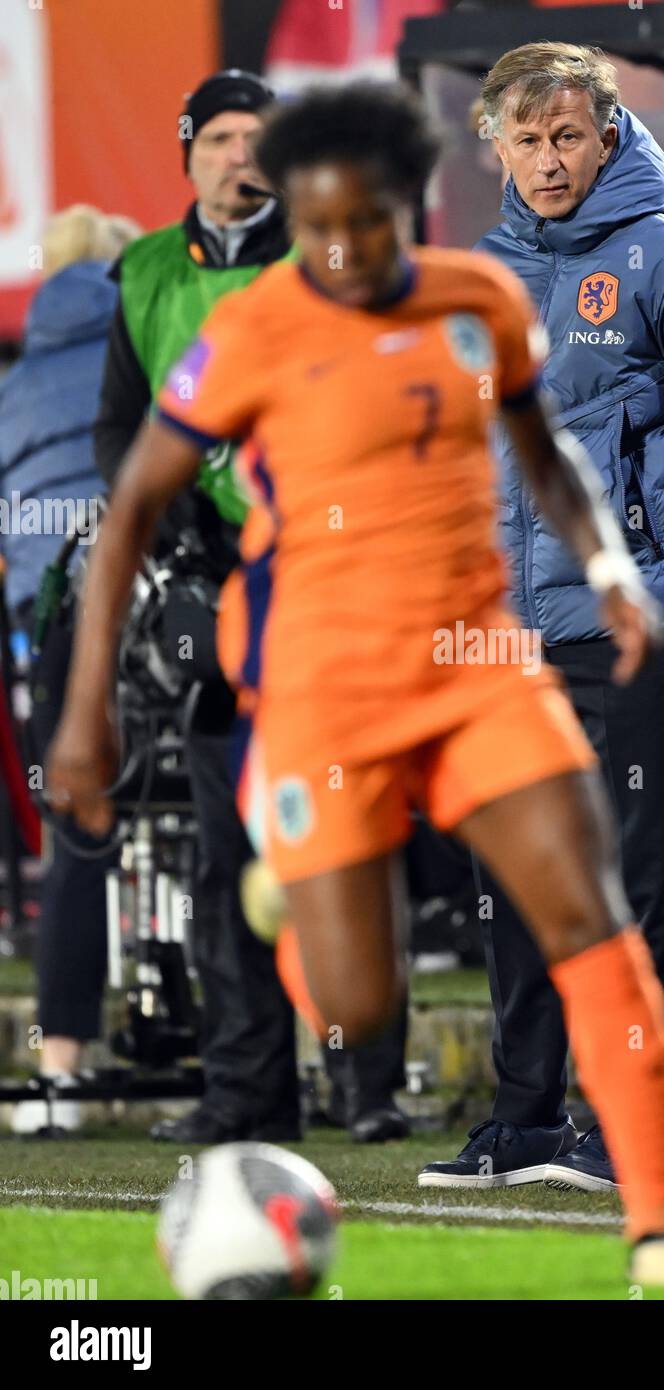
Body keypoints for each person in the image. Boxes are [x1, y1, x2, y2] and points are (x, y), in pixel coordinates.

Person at [45, 80, 664, 1292]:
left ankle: (662, 1233)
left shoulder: (477, 300)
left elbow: (547, 453)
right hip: (322, 693)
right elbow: (129, 515)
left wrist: (608, 566)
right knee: (357, 1006)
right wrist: (86, 711)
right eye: (316, 226)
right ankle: (294, 878)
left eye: (366, 224)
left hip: (480, 670)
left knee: (591, 914)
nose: (342, 251)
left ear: (402, 208)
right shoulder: (255, 330)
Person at [420, 42, 664, 1192]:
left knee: (636, 871)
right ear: (496, 147)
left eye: (566, 134)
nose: (547, 160)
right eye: (525, 140)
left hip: (630, 620)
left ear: (607, 129)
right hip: (509, 631)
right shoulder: (477, 272)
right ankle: (527, 1115)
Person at [94, 69, 304, 1144]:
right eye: (219, 136)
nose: (239, 154)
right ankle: (246, 1093)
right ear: (188, 152)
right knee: (227, 851)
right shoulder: (140, 272)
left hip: (315, 577)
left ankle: (369, 1090)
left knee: (344, 846)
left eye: (256, 135)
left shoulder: (327, 257)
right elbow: (118, 435)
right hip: (212, 592)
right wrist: (172, 559)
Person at [0, 205, 139, 1134]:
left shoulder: (15, 380)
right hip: (151, 590)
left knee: (76, 831)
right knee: (216, 813)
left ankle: (58, 1076)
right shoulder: (147, 344)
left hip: (52, 613)